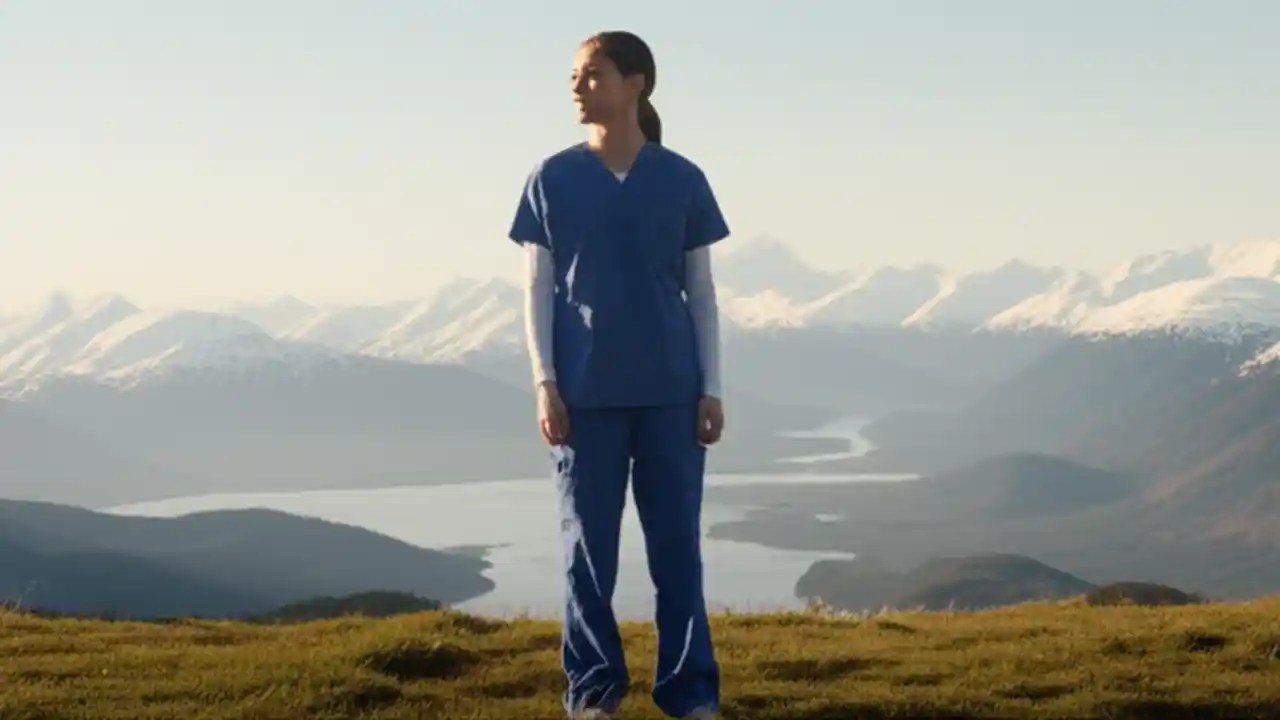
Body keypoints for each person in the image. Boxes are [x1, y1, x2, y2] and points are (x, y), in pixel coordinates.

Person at [507, 30, 729, 720]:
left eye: (593, 74)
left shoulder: (682, 180)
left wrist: (711, 387)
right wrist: (544, 383)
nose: (578, 86)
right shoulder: (551, 180)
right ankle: (593, 692)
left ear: (637, 84)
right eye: (575, 76)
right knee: (586, 553)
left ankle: (690, 694)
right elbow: (536, 292)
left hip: (671, 393)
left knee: (677, 551)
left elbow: (702, 294)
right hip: (584, 396)